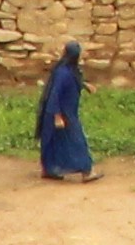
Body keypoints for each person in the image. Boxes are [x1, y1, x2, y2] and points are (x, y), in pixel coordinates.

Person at [36, 41, 96, 183]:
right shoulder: (63, 73)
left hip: (66, 112)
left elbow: (75, 79)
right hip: (61, 113)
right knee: (76, 141)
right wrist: (57, 117)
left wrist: (85, 85)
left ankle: (50, 170)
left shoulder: (69, 69)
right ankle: (87, 171)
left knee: (55, 142)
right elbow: (54, 95)